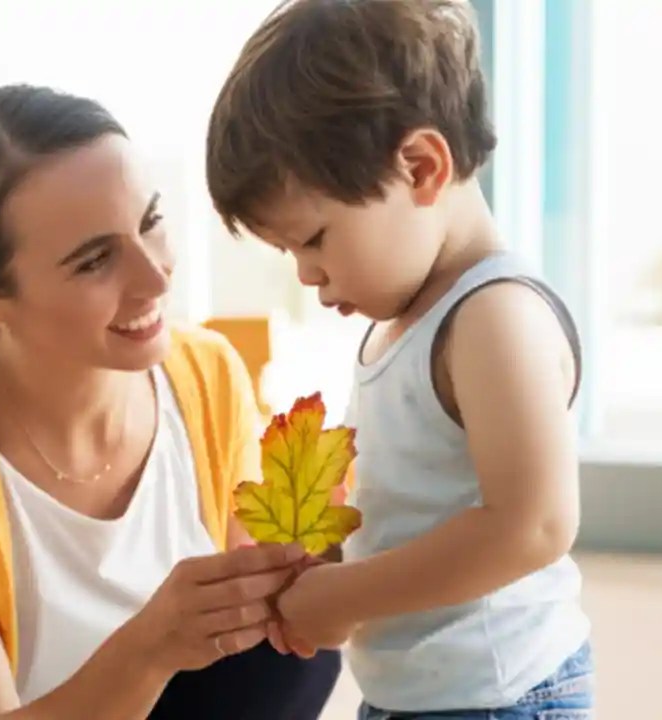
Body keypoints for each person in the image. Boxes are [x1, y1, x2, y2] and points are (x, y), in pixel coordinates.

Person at [0, 84, 341, 720]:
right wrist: (148, 648)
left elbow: (257, 629)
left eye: (150, 222)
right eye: (94, 261)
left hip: (139, 698)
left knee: (283, 665)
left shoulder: (208, 375)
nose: (154, 278)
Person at [204, 1, 594, 718]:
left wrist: (348, 594)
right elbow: (405, 510)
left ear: (420, 167)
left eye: (315, 239)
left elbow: (533, 524)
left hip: (502, 699)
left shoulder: (493, 317)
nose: (306, 274)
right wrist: (323, 563)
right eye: (290, 251)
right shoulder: (403, 322)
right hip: (416, 695)